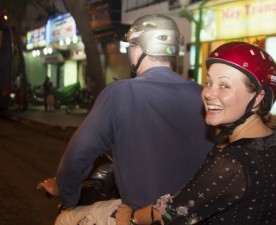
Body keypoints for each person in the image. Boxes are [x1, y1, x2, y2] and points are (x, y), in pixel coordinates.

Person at [37, 14, 214, 225]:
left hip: (141, 217)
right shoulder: (203, 95)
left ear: (138, 48)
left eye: (131, 47)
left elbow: (78, 154)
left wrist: (65, 190)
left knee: (65, 219)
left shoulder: (120, 93)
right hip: (193, 214)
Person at [115, 41, 276, 225]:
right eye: (209, 82)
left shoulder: (233, 164)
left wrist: (131, 217)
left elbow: (173, 214)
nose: (208, 93)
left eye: (224, 86)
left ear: (257, 98)